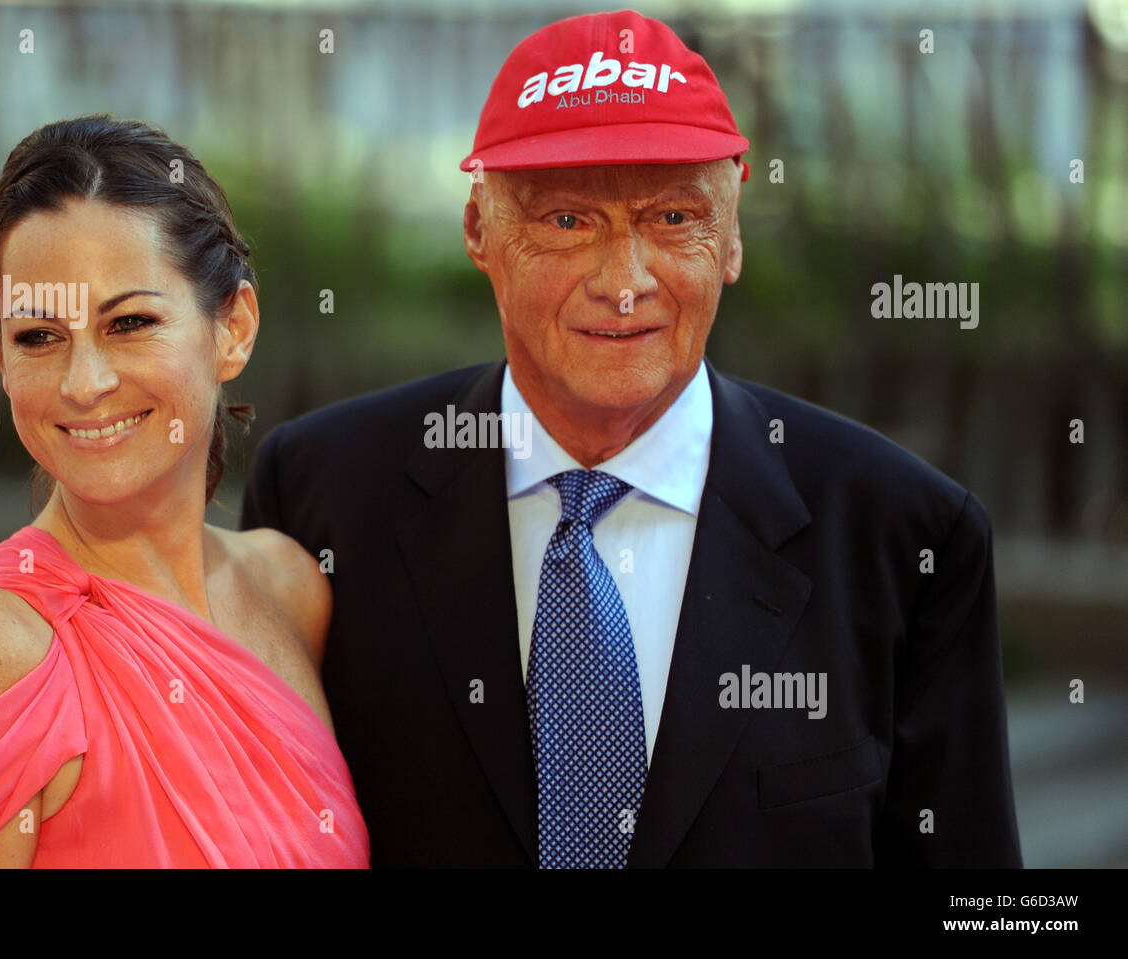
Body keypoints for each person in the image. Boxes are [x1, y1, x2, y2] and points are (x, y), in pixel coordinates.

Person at [239, 10, 1022, 868]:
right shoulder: (323, 494)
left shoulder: (905, 535)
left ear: (731, 237)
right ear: (478, 232)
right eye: (568, 221)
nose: (624, 284)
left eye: (673, 218)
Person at [0, 116, 369, 868]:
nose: (84, 383)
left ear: (233, 329)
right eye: (38, 336)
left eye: (130, 322)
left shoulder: (290, 587)